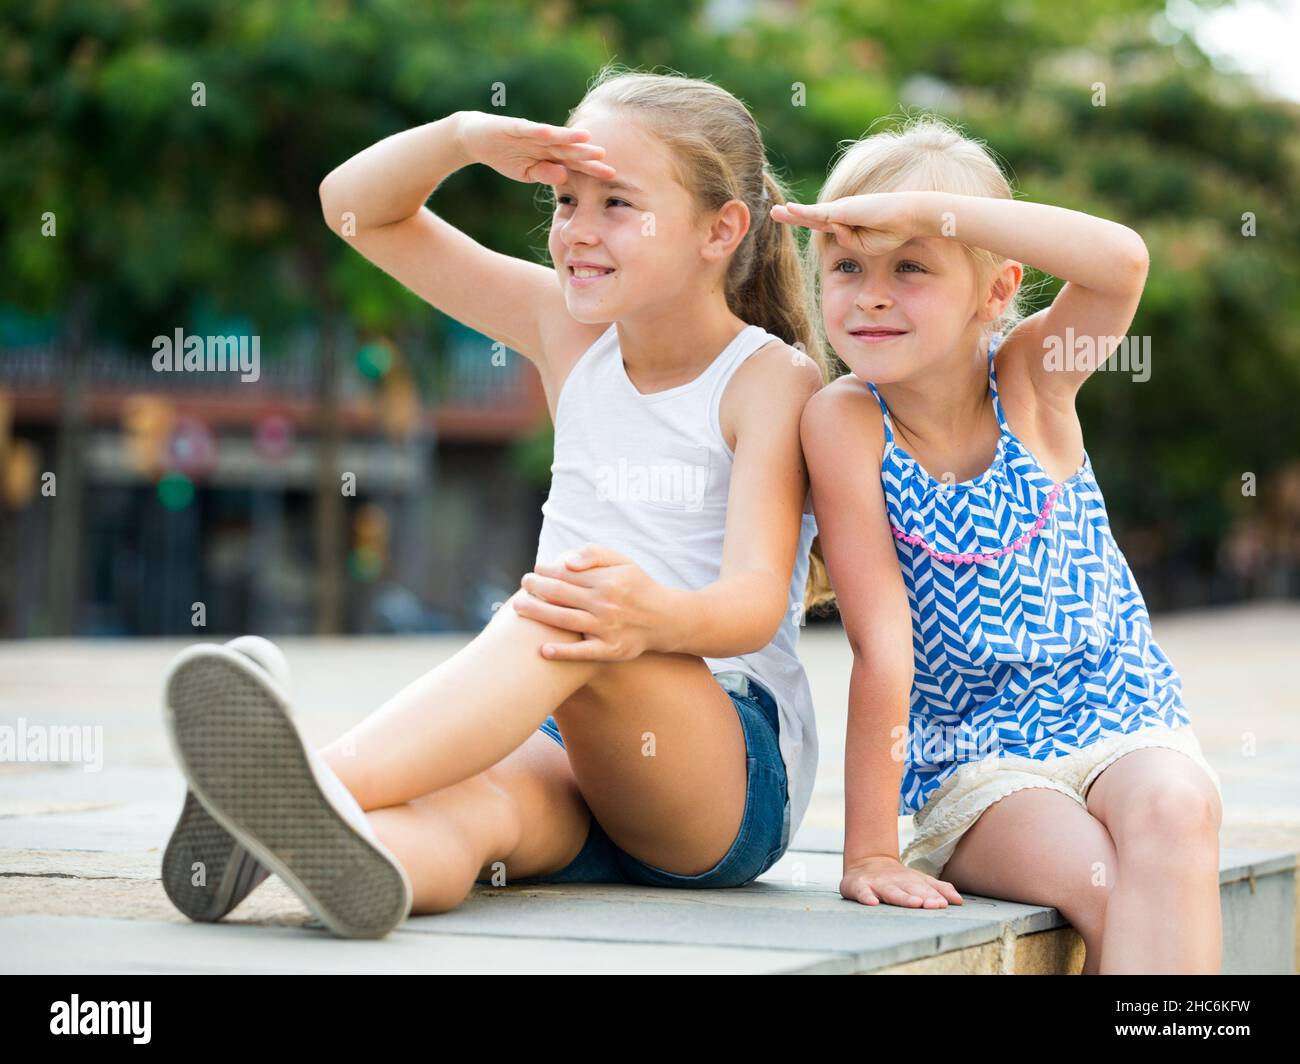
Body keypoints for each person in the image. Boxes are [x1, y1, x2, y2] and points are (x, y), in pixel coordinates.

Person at [160, 67, 831, 939]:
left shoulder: (768, 378)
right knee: (476, 813)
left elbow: (749, 603)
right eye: (565, 201)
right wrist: (462, 138)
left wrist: (645, 616)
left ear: (721, 230)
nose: (578, 233)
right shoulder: (567, 326)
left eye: (617, 204)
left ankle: (300, 783)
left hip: (723, 778)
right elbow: (354, 208)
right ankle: (353, 859)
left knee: (572, 598)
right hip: (576, 744)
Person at [785, 116, 1223, 973]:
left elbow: (1122, 261)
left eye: (911, 265)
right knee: (1102, 883)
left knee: (1177, 811)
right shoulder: (844, 423)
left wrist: (934, 208)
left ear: (995, 290)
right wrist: (869, 849)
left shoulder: (1032, 377)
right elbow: (882, 644)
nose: (870, 295)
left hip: (1122, 719)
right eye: (847, 266)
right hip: (977, 764)